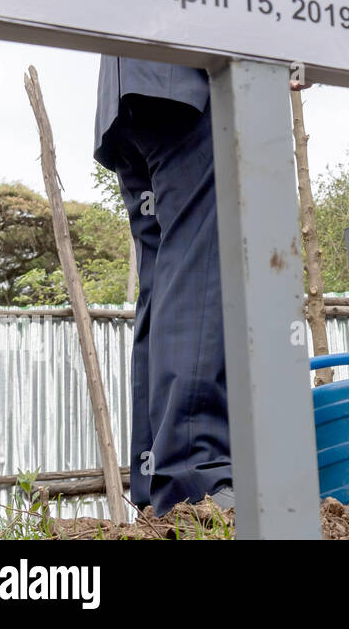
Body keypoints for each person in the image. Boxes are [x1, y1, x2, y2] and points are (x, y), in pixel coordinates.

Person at [94, 58, 231, 513]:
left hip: (128, 93)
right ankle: (197, 477)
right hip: (186, 84)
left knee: (164, 277)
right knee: (199, 266)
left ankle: (159, 478)